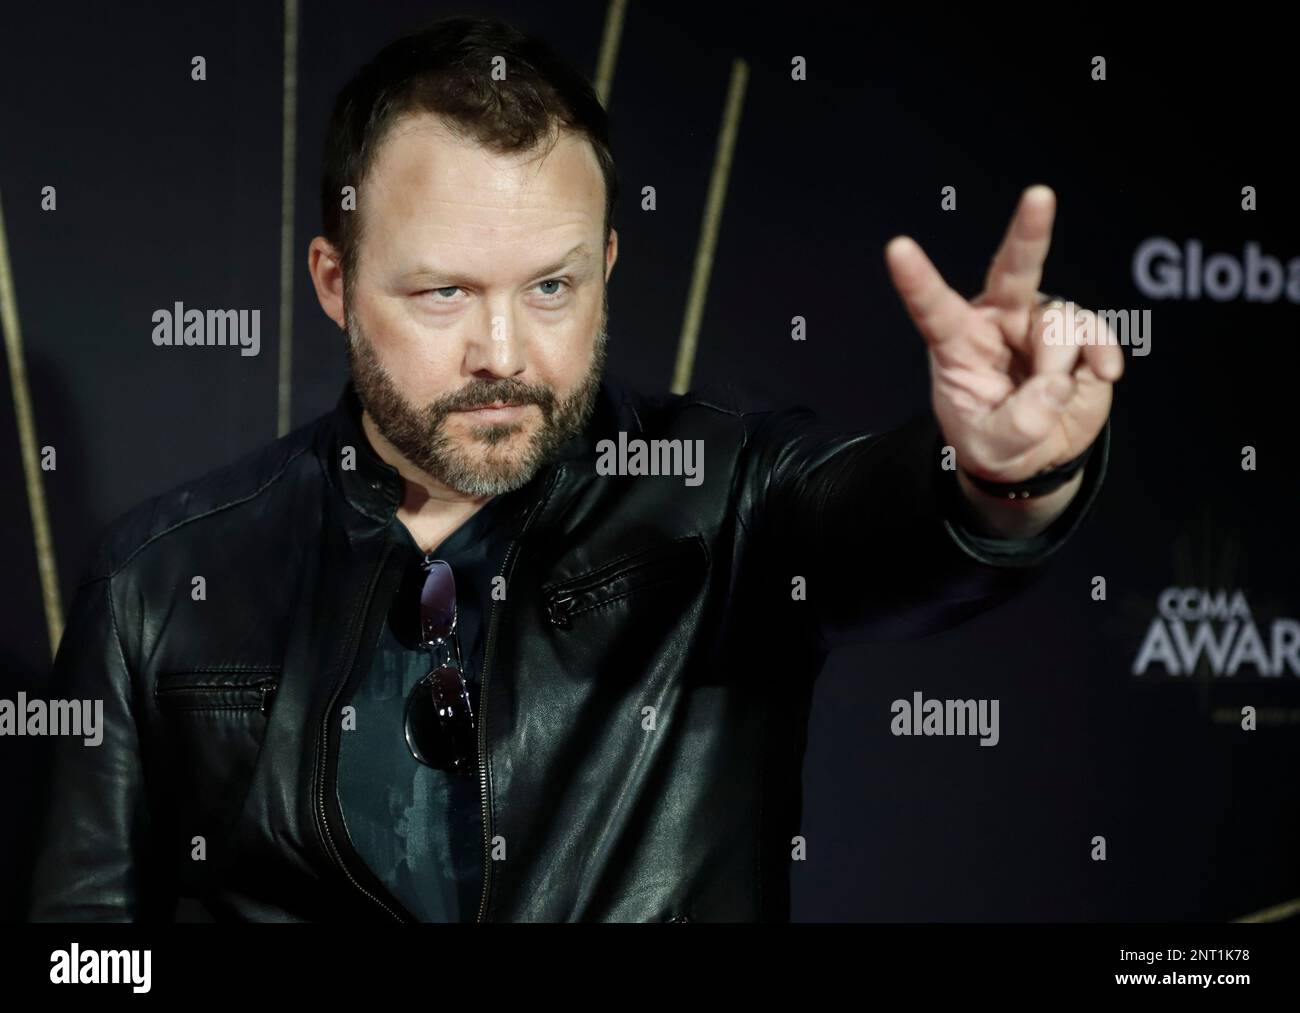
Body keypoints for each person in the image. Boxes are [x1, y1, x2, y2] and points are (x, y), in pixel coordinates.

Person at [28, 15, 1120, 923]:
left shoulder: (724, 498)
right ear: (333, 279)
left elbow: (894, 525)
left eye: (549, 287)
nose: (502, 351)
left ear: (603, 263)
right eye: (442, 292)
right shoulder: (160, 581)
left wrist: (1003, 474)